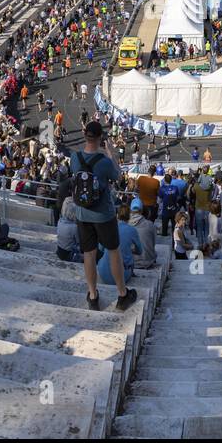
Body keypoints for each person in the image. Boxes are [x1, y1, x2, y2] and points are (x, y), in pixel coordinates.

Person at [70, 122, 136, 312]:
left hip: (82, 213)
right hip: (103, 214)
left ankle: (92, 295)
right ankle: (122, 295)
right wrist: (111, 153)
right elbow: (118, 176)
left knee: (88, 254)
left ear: (85, 135)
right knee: (113, 252)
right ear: (100, 138)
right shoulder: (104, 161)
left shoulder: (74, 158)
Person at [97, 202, 144, 284]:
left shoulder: (108, 228)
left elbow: (100, 248)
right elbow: (140, 251)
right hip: (122, 275)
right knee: (129, 257)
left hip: (103, 272)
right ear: (129, 216)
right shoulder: (132, 230)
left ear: (117, 215)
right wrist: (129, 250)